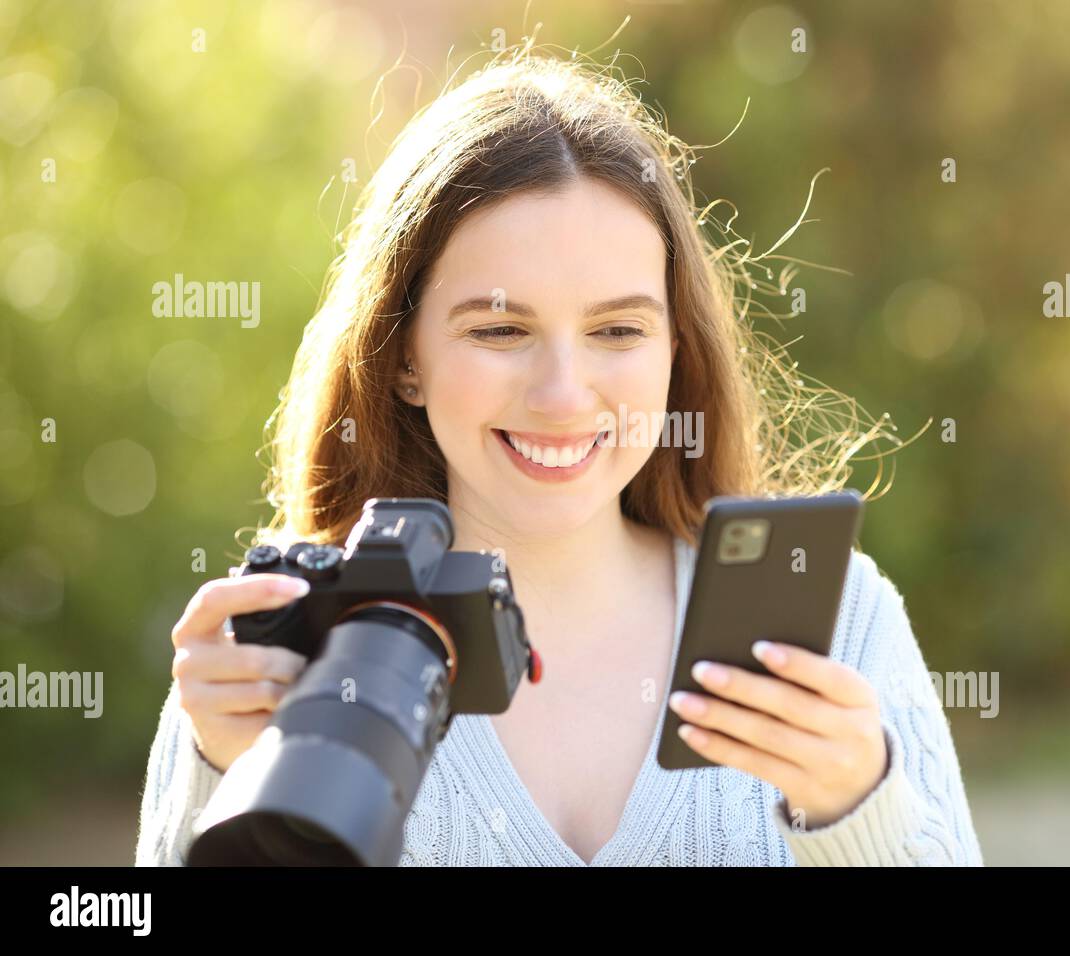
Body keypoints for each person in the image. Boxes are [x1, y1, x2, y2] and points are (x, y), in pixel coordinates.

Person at [135, 46, 983, 867]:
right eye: (501, 330)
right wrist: (224, 779)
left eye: (617, 330)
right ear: (404, 359)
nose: (564, 394)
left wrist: (860, 814)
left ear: (675, 352)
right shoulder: (274, 661)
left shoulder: (839, 624)